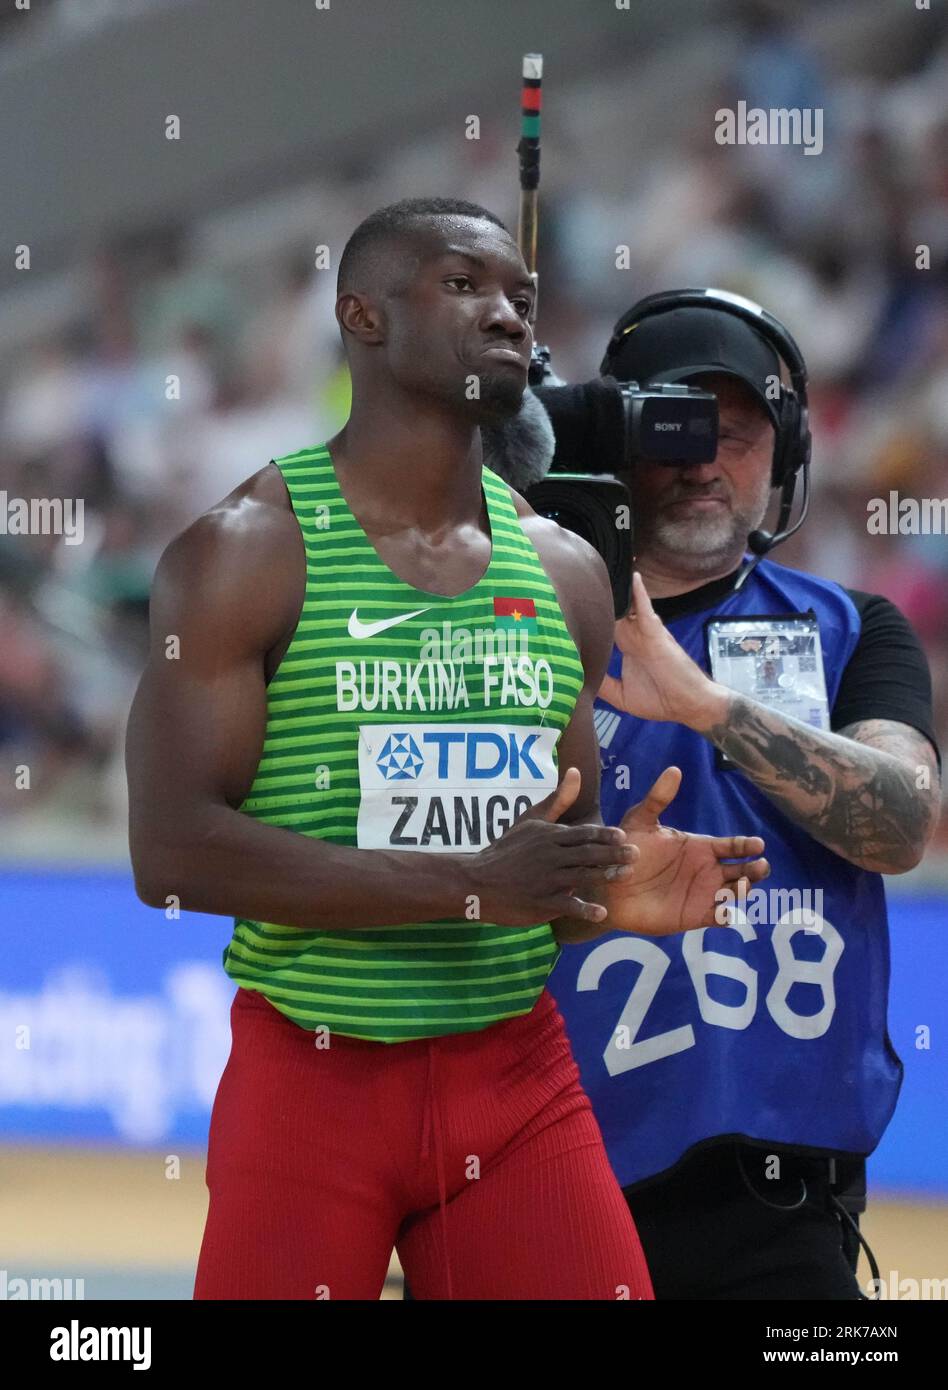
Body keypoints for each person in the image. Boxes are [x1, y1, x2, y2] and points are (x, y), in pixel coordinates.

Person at [124, 207, 769, 1301]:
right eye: (465, 284)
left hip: (514, 1071)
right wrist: (470, 885)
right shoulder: (248, 551)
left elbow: (543, 880)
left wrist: (605, 890)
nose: (509, 312)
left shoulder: (566, 573)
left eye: (521, 293)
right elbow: (173, 853)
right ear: (360, 316)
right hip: (314, 1074)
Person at [539, 289, 942, 1300]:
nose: (704, 461)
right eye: (671, 427)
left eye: (740, 433)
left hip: (780, 1203)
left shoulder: (854, 628)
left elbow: (901, 825)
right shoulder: (523, 619)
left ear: (789, 452)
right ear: (612, 441)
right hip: (536, 1168)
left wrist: (708, 706)